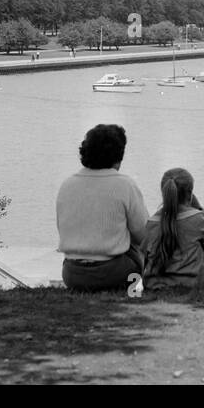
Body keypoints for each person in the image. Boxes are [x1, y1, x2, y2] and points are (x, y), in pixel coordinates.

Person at [56, 124, 148, 291]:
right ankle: (135, 291)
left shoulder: (67, 185)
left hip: (72, 274)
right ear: (119, 155)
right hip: (115, 274)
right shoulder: (124, 185)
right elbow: (144, 236)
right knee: (135, 245)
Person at [141, 168, 204, 289]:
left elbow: (144, 256)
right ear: (189, 194)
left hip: (156, 284)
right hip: (195, 283)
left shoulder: (151, 223)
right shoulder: (197, 218)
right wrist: (198, 207)